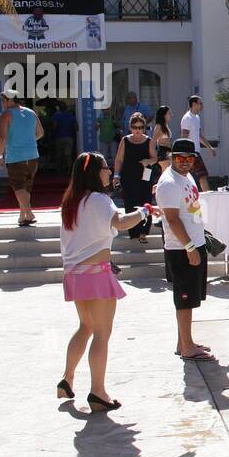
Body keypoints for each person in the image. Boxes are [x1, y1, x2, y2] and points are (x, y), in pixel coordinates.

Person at [57, 151, 149, 412]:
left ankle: (67, 379)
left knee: (85, 326)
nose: (109, 171)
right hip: (96, 275)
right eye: (106, 168)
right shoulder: (99, 199)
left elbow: (78, 241)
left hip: (75, 274)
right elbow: (120, 223)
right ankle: (98, 392)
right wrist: (143, 212)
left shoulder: (71, 201)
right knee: (101, 334)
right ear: (95, 173)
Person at [155, 138, 215, 360]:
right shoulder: (169, 182)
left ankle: (184, 342)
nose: (185, 162)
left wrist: (202, 233)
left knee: (190, 298)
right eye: (180, 157)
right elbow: (172, 219)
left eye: (190, 158)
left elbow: (192, 208)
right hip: (181, 248)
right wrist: (190, 247)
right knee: (184, 297)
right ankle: (188, 348)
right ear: (172, 156)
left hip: (195, 243)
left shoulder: (187, 177)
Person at [0, 87, 44, 227]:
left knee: (18, 186)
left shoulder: (6, 114)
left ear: (9, 100)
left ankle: (29, 213)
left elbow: (2, 137)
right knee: (26, 187)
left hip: (16, 156)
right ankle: (22, 216)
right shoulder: (31, 112)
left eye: (3, 100)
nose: (2, 102)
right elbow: (40, 132)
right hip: (33, 155)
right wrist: (28, 140)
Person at [113, 112, 159, 243]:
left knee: (145, 201)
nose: (137, 130)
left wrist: (148, 161)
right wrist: (116, 175)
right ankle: (133, 232)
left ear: (144, 127)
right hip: (128, 176)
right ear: (130, 127)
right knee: (130, 202)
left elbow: (155, 158)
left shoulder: (148, 141)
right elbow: (118, 159)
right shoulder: (125, 140)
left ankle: (143, 232)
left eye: (140, 127)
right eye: (135, 127)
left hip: (145, 176)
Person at [180, 95, 217, 191]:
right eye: (200, 103)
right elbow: (184, 137)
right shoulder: (187, 118)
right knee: (202, 175)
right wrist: (185, 154)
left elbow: (199, 135)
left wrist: (209, 147)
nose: (202, 105)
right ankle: (208, 197)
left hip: (195, 152)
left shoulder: (196, 117)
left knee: (190, 178)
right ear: (194, 104)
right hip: (190, 153)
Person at [151, 105, 173, 199]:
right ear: (164, 115)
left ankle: (159, 193)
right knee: (165, 177)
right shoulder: (159, 126)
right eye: (169, 113)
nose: (171, 115)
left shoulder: (165, 126)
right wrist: (151, 155)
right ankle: (159, 194)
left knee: (166, 177)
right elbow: (153, 141)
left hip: (168, 152)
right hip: (164, 153)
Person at [51, 101, 78, 174]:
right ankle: (69, 170)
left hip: (59, 138)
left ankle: (59, 170)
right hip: (69, 138)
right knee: (68, 155)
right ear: (66, 108)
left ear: (59, 108)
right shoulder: (71, 116)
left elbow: (54, 127)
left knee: (59, 155)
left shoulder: (56, 116)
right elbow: (76, 128)